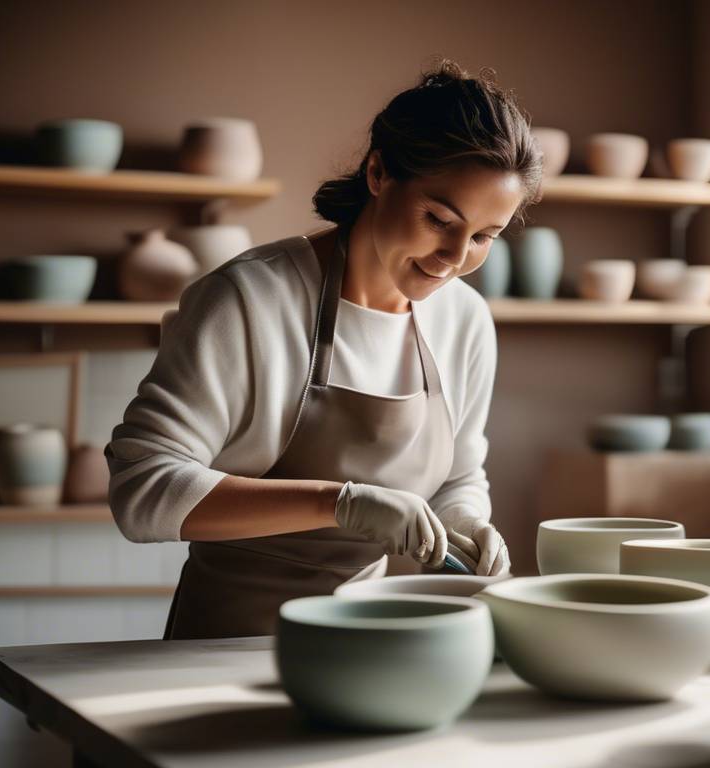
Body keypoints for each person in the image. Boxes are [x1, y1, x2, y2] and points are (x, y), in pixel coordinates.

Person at [104, 60, 543, 640]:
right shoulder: (249, 299)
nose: (454, 258)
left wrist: (465, 520)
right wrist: (339, 502)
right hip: (224, 647)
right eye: (439, 219)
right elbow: (140, 493)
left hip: (364, 641)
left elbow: (460, 475)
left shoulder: (465, 320)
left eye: (484, 236)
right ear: (379, 173)